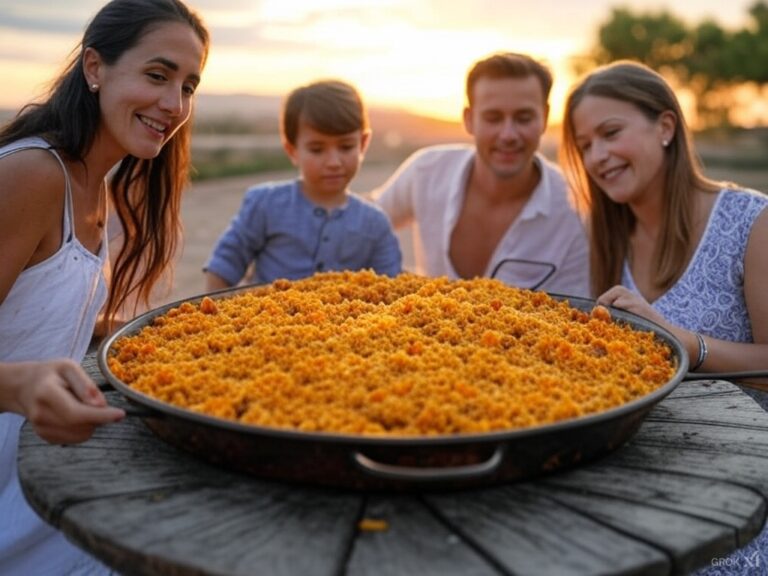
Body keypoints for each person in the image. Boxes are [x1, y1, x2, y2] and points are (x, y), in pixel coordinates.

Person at [0, 0, 209, 573]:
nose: (174, 104)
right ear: (95, 68)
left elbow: (34, 319)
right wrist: (18, 388)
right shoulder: (31, 176)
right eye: (157, 75)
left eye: (188, 86)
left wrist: (144, 336)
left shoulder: (102, 187)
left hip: (46, 472)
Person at [559, 59, 768, 573]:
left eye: (610, 133)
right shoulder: (608, 237)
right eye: (585, 146)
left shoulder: (752, 220)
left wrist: (681, 342)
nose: (598, 156)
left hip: (741, 479)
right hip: (647, 465)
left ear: (666, 126)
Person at [372, 52, 590, 297]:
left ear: (545, 118)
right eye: (493, 118)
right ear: (469, 119)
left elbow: (574, 311)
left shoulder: (576, 209)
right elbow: (361, 228)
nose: (508, 134)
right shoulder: (426, 171)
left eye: (523, 118)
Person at [204, 79, 402, 291]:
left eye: (346, 147)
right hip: (265, 319)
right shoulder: (266, 204)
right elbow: (223, 266)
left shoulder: (375, 224)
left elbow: (391, 290)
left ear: (363, 144)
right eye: (317, 149)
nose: (334, 162)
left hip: (345, 322)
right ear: (292, 150)